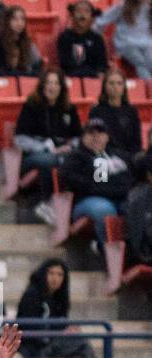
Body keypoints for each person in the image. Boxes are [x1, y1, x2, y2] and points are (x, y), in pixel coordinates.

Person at [14, 69, 82, 223]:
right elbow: (20, 138)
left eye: (56, 83)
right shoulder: (31, 106)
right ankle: (48, 202)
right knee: (51, 161)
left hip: (62, 154)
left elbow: (79, 137)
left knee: (68, 161)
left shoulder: (69, 109)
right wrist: (46, 148)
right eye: (48, 83)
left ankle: (57, 203)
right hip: (33, 155)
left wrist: (70, 146)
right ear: (42, 86)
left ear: (61, 87)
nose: (52, 87)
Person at [62, 117, 134, 239]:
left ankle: (137, 249)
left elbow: (132, 179)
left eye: (100, 132)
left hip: (122, 197)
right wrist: (114, 186)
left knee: (138, 205)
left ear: (107, 137)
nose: (96, 136)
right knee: (104, 209)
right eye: (91, 133)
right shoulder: (76, 156)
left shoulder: (121, 155)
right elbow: (83, 183)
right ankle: (105, 248)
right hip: (88, 201)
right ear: (83, 137)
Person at [90, 67, 143, 164]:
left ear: (124, 87)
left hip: (131, 157)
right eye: (111, 83)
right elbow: (96, 142)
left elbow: (137, 142)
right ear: (105, 86)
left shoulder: (132, 111)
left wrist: (133, 157)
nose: (115, 87)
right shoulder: (96, 111)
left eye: (119, 83)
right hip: (107, 158)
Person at [0, 4, 42, 77]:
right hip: (3, 78)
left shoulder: (26, 40)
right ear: (7, 21)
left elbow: (38, 64)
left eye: (22, 19)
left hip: (21, 77)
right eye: (15, 19)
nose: (19, 23)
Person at [97, 0, 152, 79]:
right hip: (125, 44)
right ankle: (149, 87)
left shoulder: (149, 8)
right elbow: (100, 22)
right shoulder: (121, 7)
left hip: (147, 44)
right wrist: (97, 38)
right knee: (141, 63)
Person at [57, 0, 108, 78]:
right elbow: (65, 63)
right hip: (70, 77)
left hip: (93, 78)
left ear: (92, 17)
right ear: (72, 15)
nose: (82, 14)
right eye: (78, 11)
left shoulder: (97, 39)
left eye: (86, 11)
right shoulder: (64, 37)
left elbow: (102, 65)